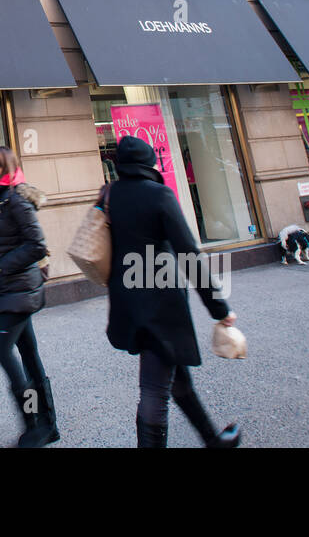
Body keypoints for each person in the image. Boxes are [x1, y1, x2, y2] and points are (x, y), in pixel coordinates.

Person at [103, 135, 239, 448]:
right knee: (154, 390)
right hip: (160, 305)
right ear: (150, 163)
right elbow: (189, 254)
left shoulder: (111, 194)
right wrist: (219, 308)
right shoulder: (160, 195)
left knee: (176, 376)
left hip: (127, 301)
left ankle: (213, 439)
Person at [0, 145, 57, 448]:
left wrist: (1, 267)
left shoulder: (15, 201)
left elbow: (37, 245)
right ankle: (47, 424)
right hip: (10, 290)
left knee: (2, 350)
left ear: (4, 167)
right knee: (29, 355)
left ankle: (33, 423)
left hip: (19, 291)